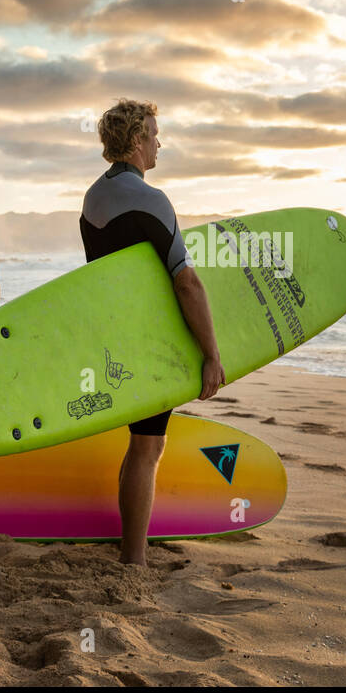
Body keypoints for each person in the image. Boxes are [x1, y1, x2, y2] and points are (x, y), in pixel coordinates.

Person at [80, 98, 225, 566]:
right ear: (138, 139)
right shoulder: (152, 199)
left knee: (143, 443)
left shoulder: (92, 199)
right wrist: (211, 355)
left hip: (113, 339)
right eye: (155, 133)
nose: (160, 141)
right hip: (147, 344)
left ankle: (132, 551)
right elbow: (186, 281)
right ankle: (134, 559)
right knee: (147, 447)